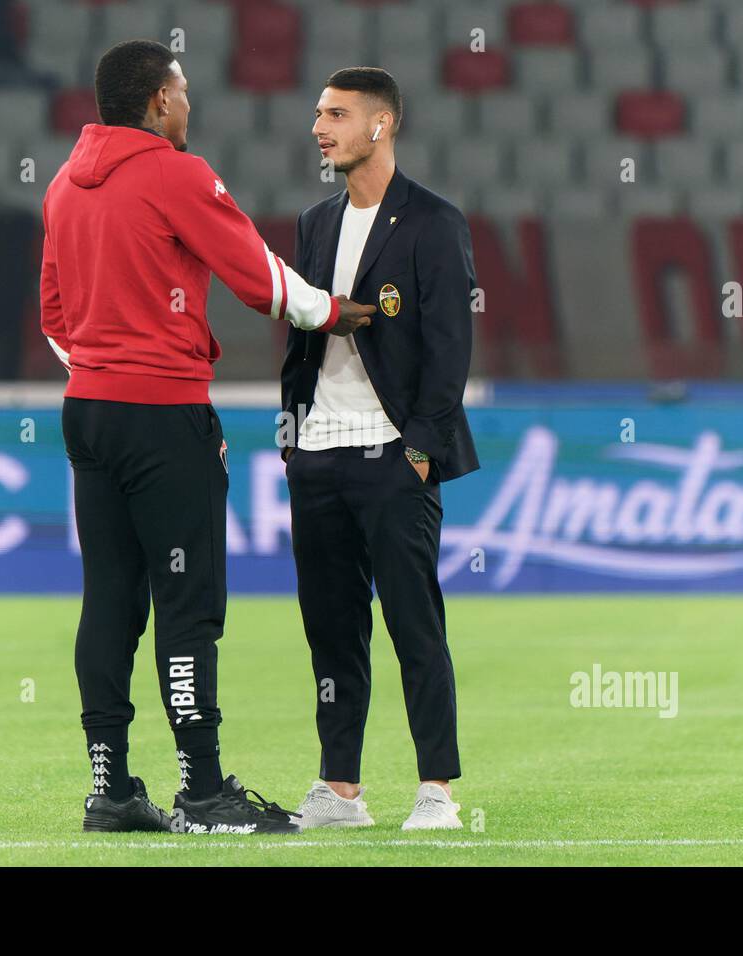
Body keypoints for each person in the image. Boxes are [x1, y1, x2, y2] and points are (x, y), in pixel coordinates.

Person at [41, 40, 375, 835]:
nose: (190, 106)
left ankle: (112, 789)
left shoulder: (61, 185)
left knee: (110, 599)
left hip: (88, 411)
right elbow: (256, 275)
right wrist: (332, 311)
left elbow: (54, 315)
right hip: (163, 414)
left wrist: (100, 365)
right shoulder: (175, 174)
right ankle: (201, 791)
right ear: (158, 101)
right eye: (182, 92)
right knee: (188, 602)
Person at [280, 67, 480, 830]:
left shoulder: (433, 221)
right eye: (317, 114)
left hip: (394, 455)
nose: (319, 128)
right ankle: (340, 791)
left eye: (335, 114)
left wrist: (421, 450)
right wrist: (295, 441)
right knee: (330, 628)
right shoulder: (315, 222)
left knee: (412, 623)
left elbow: (449, 347)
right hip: (321, 454)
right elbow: (303, 334)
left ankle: (437, 790)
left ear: (381, 125)